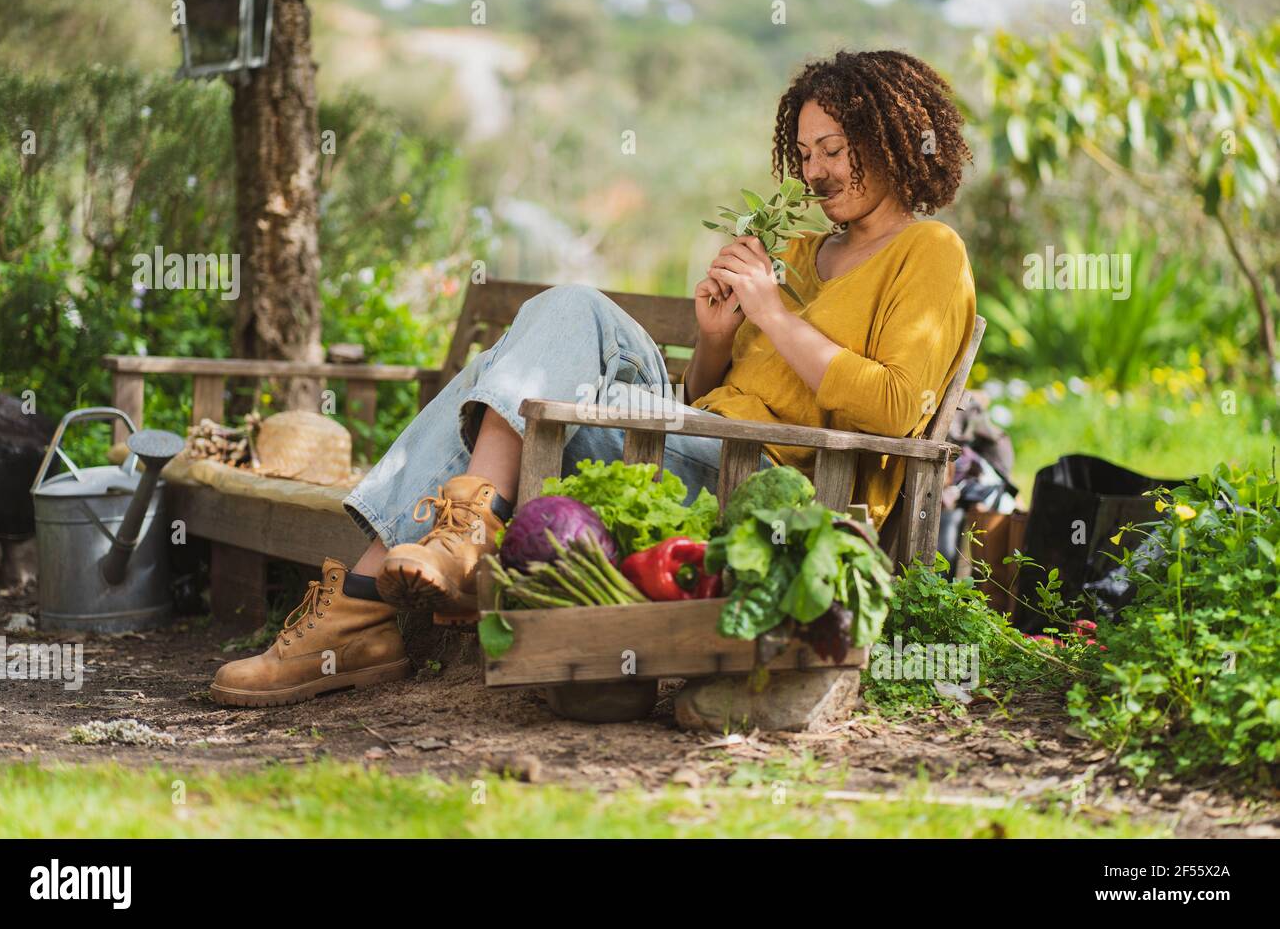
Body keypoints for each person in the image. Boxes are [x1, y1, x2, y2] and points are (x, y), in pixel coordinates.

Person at [208, 49, 978, 708]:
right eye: (805, 153)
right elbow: (712, 404)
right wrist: (715, 339)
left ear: (890, 136)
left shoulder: (930, 252)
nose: (815, 172)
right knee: (561, 315)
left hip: (777, 490)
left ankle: (366, 603)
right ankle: (448, 545)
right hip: (710, 444)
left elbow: (891, 411)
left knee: (500, 375)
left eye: (834, 149)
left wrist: (774, 316)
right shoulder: (806, 254)